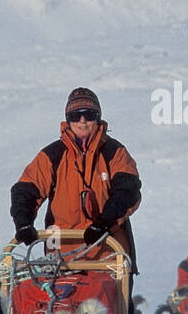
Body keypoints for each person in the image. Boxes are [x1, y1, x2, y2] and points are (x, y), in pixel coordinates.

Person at [10, 87, 141, 273]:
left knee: (110, 302)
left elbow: (128, 191)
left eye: (88, 114)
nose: (82, 120)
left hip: (109, 254)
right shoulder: (52, 155)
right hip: (61, 257)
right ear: (67, 119)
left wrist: (104, 223)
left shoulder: (115, 152)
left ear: (97, 117)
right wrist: (24, 223)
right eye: (75, 115)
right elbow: (25, 190)